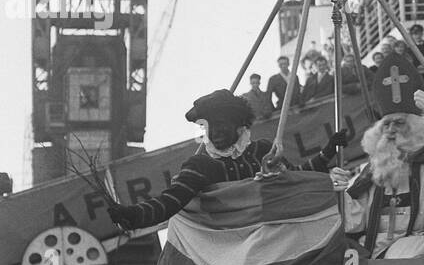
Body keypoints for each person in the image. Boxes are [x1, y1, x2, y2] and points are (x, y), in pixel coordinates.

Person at [105, 90, 349, 230]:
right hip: (229, 252)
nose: (216, 133)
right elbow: (169, 202)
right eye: (211, 127)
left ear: (238, 126)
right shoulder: (201, 166)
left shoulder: (262, 150)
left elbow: (298, 178)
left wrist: (328, 151)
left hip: (274, 239)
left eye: (223, 125)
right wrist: (134, 215)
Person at [330, 80, 424, 258]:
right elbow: (356, 222)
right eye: (386, 124)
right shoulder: (374, 168)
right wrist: (339, 192)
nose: (391, 130)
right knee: (337, 260)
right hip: (373, 246)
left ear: (417, 128)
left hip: (418, 244)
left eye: (399, 123)